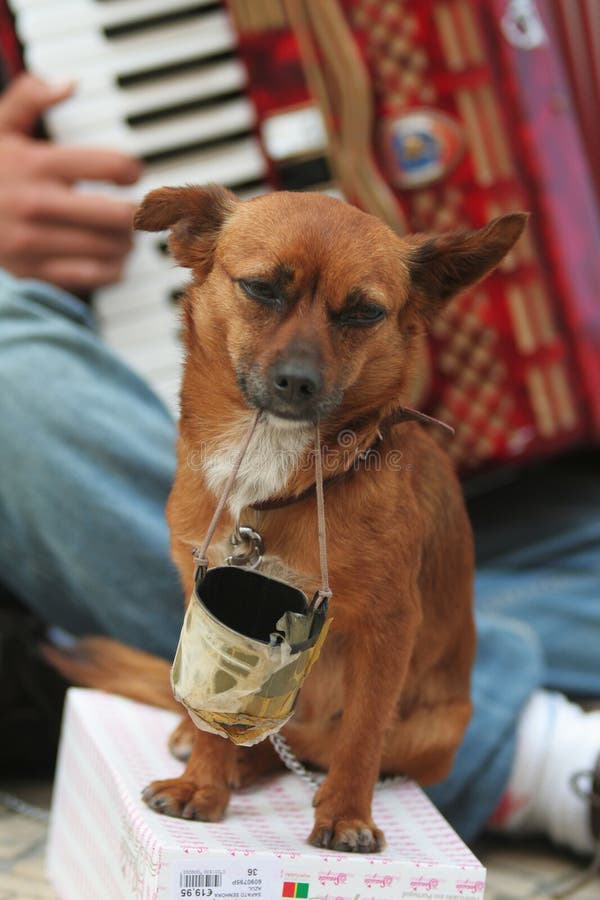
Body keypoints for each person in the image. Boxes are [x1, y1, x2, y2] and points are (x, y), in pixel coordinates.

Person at [0, 75, 599, 867]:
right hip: (134, 424)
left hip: (481, 497)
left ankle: (393, 693)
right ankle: (525, 747)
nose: (299, 367)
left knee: (394, 597)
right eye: (260, 293)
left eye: (358, 316)